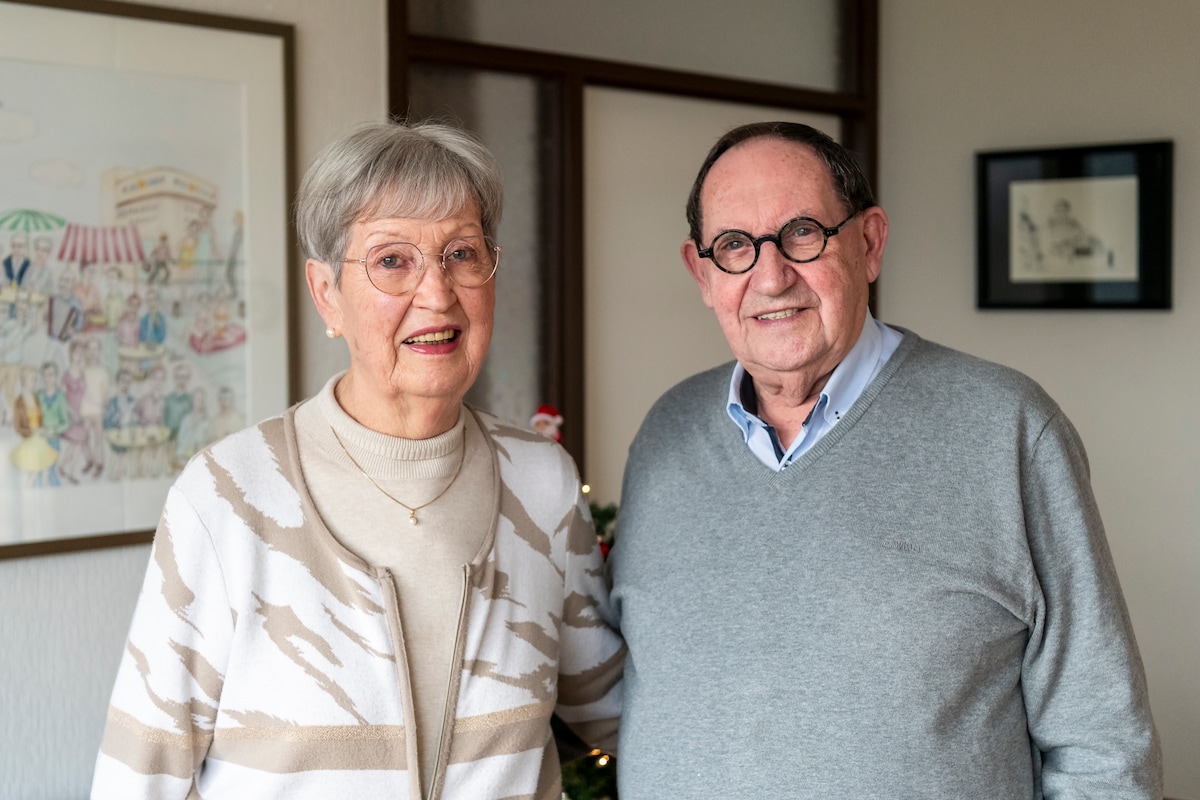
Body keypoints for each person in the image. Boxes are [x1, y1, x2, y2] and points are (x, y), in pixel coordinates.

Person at [607, 121, 1160, 799]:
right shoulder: (664, 436)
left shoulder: (1008, 429)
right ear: (702, 272)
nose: (771, 276)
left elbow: (1103, 746)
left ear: (868, 243)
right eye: (734, 246)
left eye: (803, 232)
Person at [92, 119, 624, 800]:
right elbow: (138, 779)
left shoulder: (541, 482)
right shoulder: (229, 495)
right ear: (326, 295)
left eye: (462, 253)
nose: (437, 293)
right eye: (392, 260)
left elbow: (612, 707)